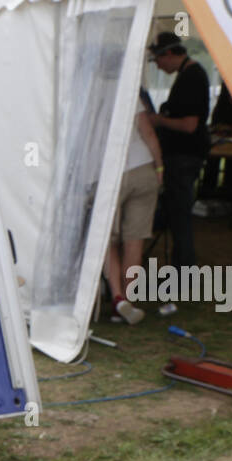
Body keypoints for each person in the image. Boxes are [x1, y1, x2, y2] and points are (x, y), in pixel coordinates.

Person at [147, 32, 211, 267]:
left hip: (184, 156)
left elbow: (189, 124)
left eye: (158, 60)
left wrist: (158, 121)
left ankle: (183, 267)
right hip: (183, 155)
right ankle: (181, 264)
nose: (158, 66)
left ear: (170, 54)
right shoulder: (188, 75)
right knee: (176, 213)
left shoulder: (192, 77)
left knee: (180, 215)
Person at [105, 95, 165, 324]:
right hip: (142, 166)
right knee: (135, 240)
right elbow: (148, 133)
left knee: (106, 239)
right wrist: (159, 167)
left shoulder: (86, 91)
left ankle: (117, 298)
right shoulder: (129, 90)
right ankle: (129, 298)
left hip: (110, 172)